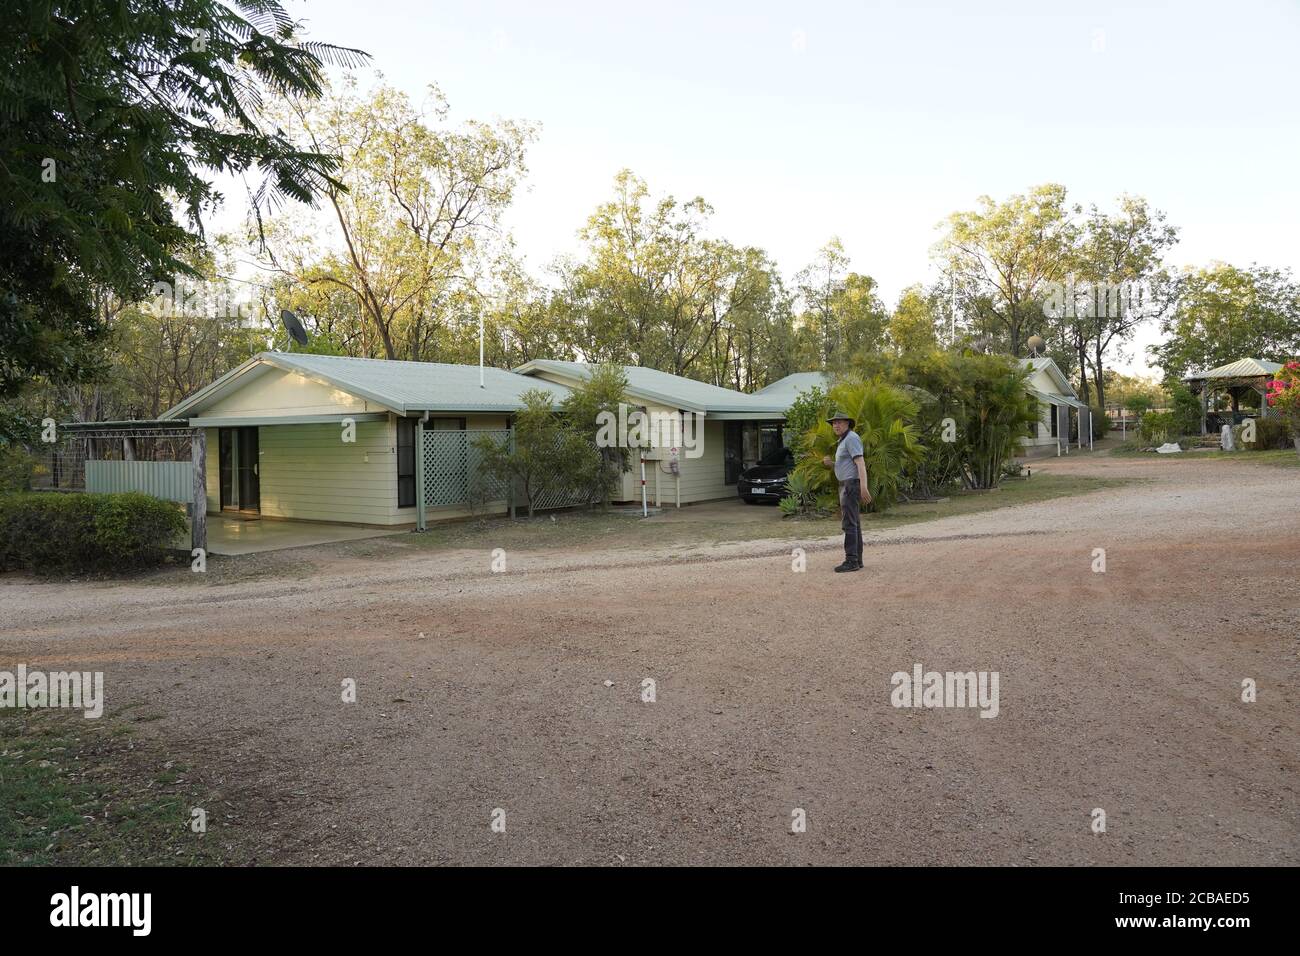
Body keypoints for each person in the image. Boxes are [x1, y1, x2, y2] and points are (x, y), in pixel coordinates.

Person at [821, 411, 870, 572]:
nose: (836, 425)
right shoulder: (844, 440)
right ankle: (857, 559)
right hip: (846, 485)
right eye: (834, 423)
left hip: (850, 485)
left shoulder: (851, 438)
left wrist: (863, 487)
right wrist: (832, 464)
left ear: (848, 423)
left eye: (839, 422)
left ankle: (851, 561)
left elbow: (860, 462)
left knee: (849, 523)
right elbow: (846, 464)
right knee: (854, 523)